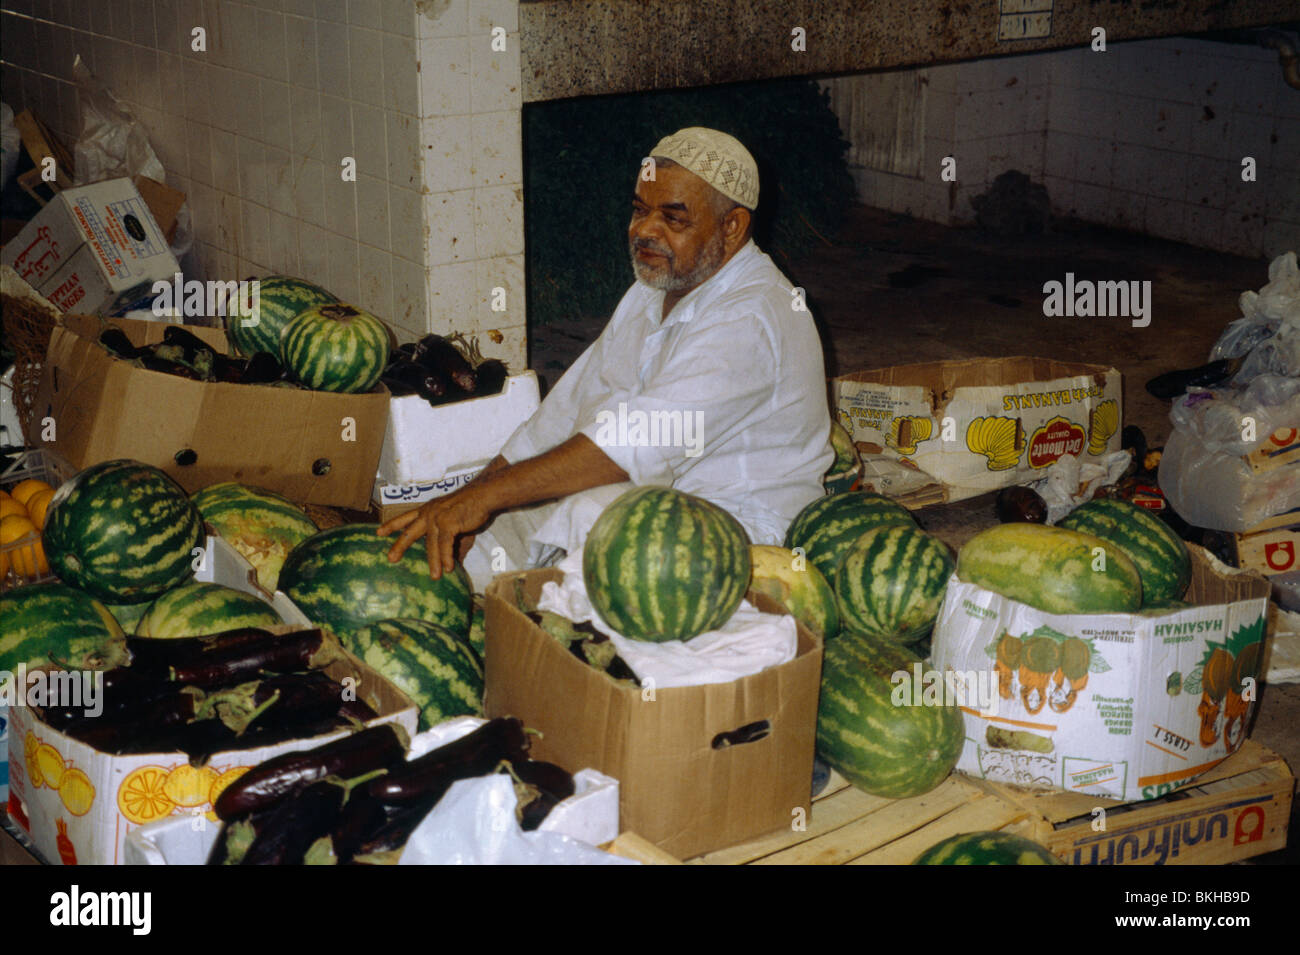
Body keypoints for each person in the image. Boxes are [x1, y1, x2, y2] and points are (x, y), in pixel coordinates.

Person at [380, 127, 833, 589]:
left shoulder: (753, 319)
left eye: (673, 219)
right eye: (640, 210)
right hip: (649, 493)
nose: (645, 231)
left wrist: (482, 499)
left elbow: (629, 446)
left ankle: (546, 638)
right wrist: (473, 498)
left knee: (587, 516)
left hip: (740, 530)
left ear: (732, 227)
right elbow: (560, 418)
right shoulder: (651, 291)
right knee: (484, 524)